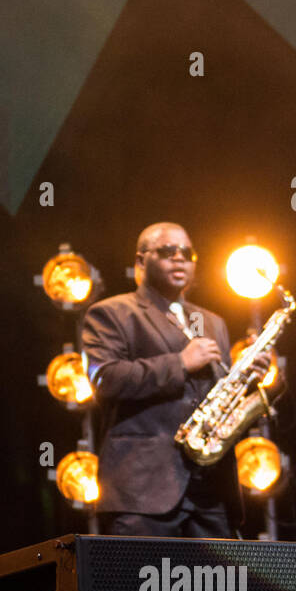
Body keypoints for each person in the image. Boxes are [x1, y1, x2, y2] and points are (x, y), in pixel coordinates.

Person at [80, 222, 254, 537]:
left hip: (211, 492)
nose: (179, 259)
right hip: (144, 491)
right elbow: (106, 377)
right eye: (167, 251)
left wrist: (248, 381)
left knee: (215, 588)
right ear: (140, 260)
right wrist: (180, 363)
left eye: (186, 253)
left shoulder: (214, 322)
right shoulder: (112, 312)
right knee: (140, 587)